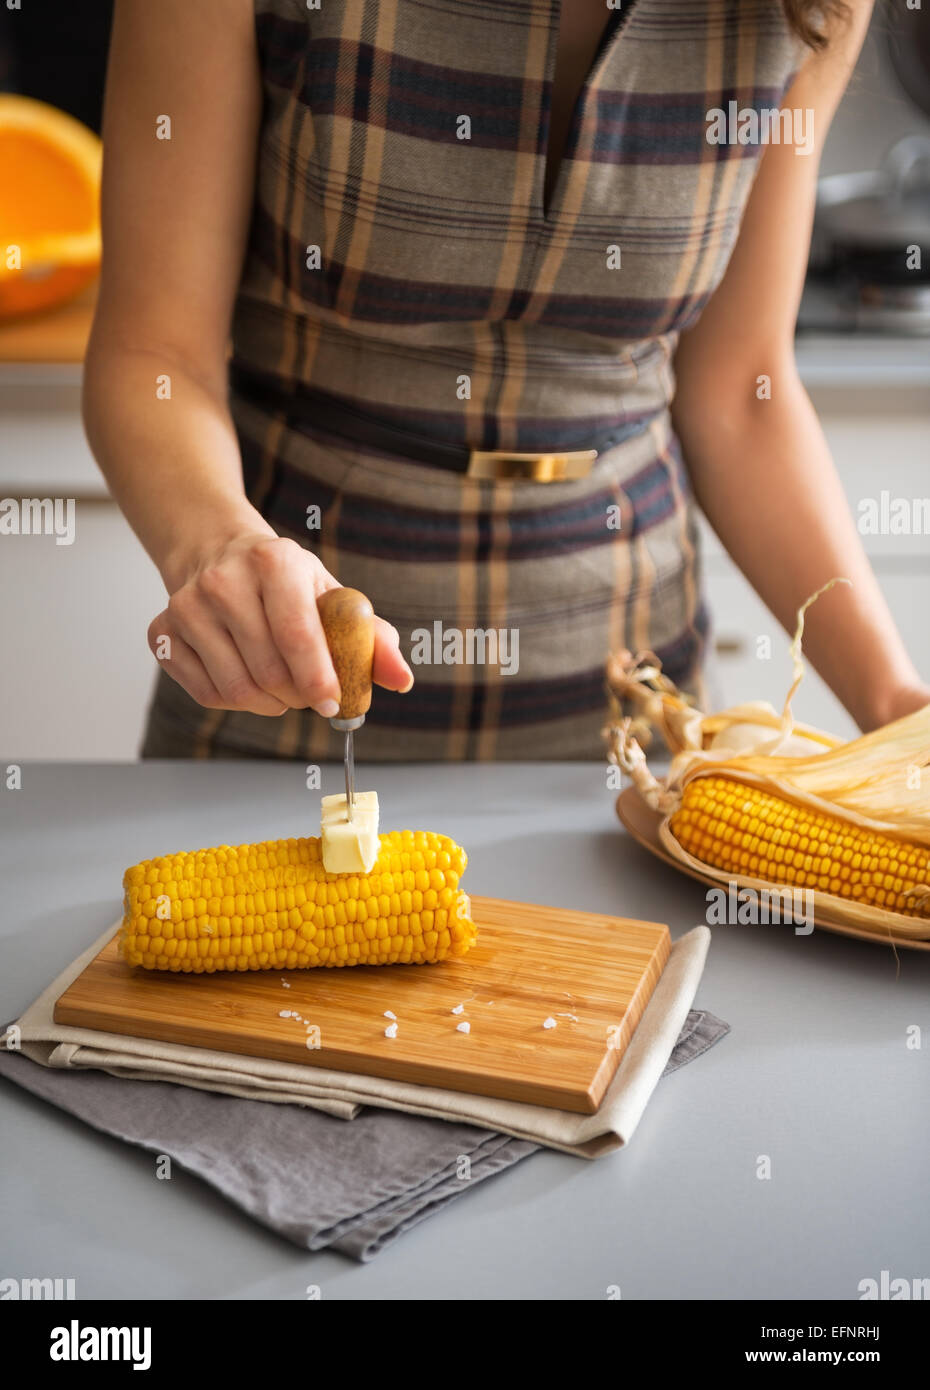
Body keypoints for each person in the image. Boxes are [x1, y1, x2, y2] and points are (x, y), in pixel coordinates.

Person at [83, 0, 929, 762]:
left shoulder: (812, 8)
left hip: (629, 736)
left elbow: (742, 392)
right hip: (283, 707)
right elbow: (156, 354)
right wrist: (219, 544)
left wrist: (896, 706)